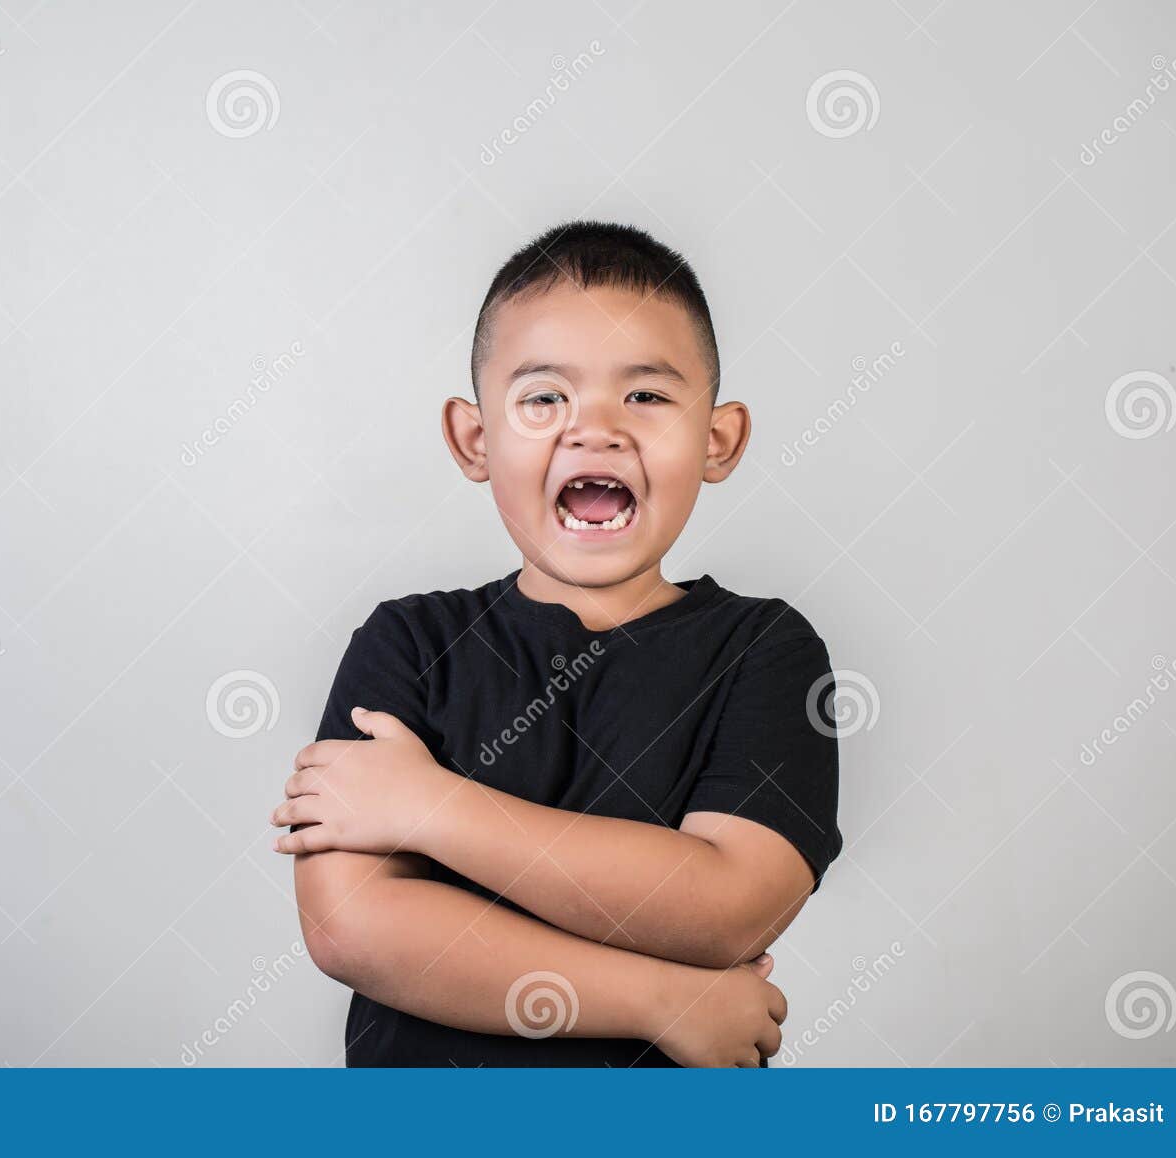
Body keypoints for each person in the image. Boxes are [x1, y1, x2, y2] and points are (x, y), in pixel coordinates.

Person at [271, 221, 843, 1067]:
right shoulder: (409, 643)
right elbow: (352, 925)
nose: (596, 429)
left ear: (718, 440)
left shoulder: (764, 651)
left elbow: (730, 902)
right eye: (544, 398)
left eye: (646, 396)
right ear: (474, 439)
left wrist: (430, 807)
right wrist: (663, 998)